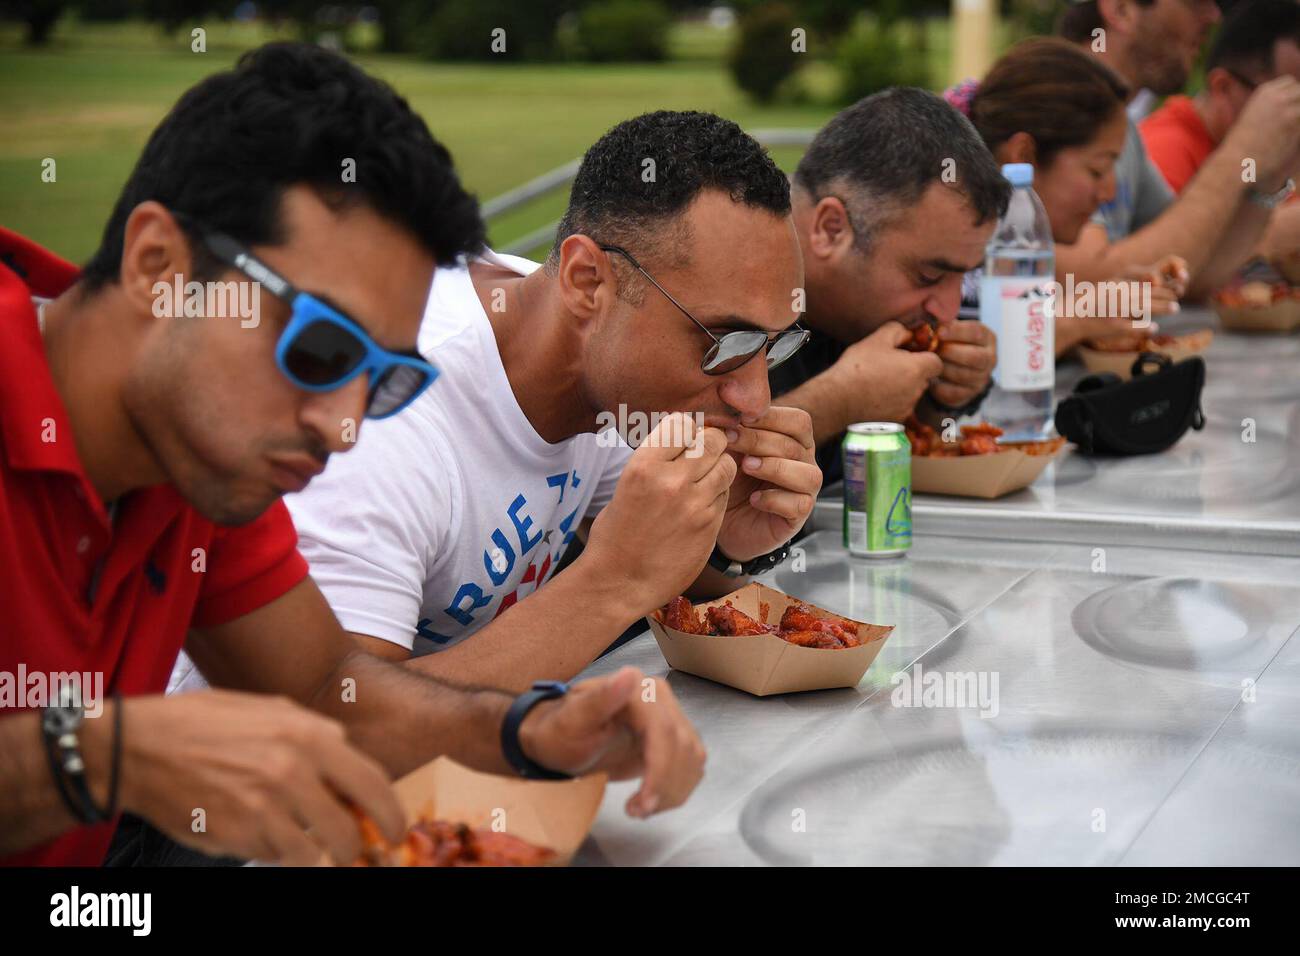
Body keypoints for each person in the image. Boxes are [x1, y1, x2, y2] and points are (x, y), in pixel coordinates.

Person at [0, 44, 705, 869]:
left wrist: (528, 729)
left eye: (384, 381)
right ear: (161, 268)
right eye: (322, 350)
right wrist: (93, 754)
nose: (340, 429)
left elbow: (325, 688)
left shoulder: (198, 458)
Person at [169, 109, 820, 699]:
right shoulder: (386, 418)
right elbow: (323, 731)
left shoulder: (603, 372)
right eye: (725, 343)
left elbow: (651, 558)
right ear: (587, 281)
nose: (754, 396)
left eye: (773, 343)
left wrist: (722, 539)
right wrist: (609, 584)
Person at [768, 87, 1011, 484]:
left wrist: (942, 395)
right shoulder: (715, 282)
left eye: (963, 277)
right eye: (929, 276)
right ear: (832, 229)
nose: (947, 309)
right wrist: (838, 403)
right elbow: (666, 470)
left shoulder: (864, 310)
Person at [952, 37, 1188, 354]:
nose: (1109, 193)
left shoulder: (1002, 235)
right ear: (1024, 155)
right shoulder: (951, 238)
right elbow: (956, 365)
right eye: (1097, 170)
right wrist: (1075, 319)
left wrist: (1103, 299)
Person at [1057, 0, 1300, 297]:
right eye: (1195, 3)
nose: (1214, 16)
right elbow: (1085, 282)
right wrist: (1243, 148)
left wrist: (1271, 172)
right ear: (1121, 10)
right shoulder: (1051, 107)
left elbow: (1189, 272)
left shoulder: (1122, 129)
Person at [1139, 0, 1300, 265]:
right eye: (1287, 101)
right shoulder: (1162, 151)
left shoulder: (1269, 156)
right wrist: (1270, 237)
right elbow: (1162, 269)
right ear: (1223, 87)